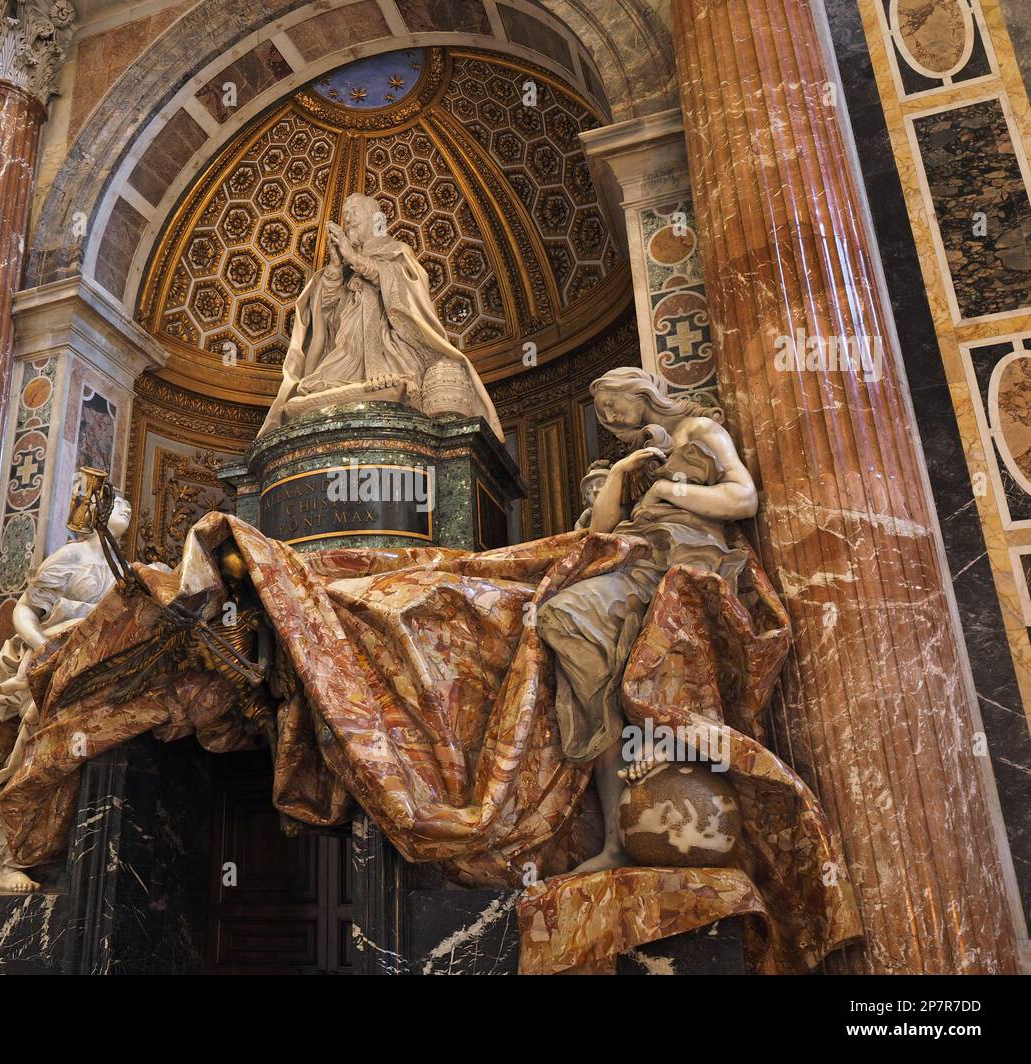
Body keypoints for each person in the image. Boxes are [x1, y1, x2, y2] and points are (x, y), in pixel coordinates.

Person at [538, 367, 757, 872]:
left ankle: (643, 722)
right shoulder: (642, 455)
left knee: (582, 617)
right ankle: (616, 728)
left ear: (643, 394)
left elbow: (743, 498)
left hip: (686, 557)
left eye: (616, 408)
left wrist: (667, 495)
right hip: (639, 557)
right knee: (563, 619)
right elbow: (600, 530)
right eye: (603, 416)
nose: (611, 421)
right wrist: (619, 474)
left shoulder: (700, 432)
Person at [0, 494, 137, 892]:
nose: (125, 508)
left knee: (50, 765)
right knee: (33, 760)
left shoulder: (124, 568)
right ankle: (0, 860)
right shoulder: (71, 557)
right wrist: (44, 650)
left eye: (127, 505)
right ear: (96, 512)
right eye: (117, 504)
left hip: (92, 669)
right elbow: (23, 611)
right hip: (53, 664)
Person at [258, 192, 502, 439]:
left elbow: (406, 294)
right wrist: (334, 267)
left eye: (354, 211)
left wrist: (355, 259)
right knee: (309, 392)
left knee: (394, 383)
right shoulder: (343, 267)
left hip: (388, 349)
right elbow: (324, 315)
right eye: (345, 215)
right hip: (346, 350)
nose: (348, 219)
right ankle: (357, 388)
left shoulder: (396, 251)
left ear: (374, 219)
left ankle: (383, 387)